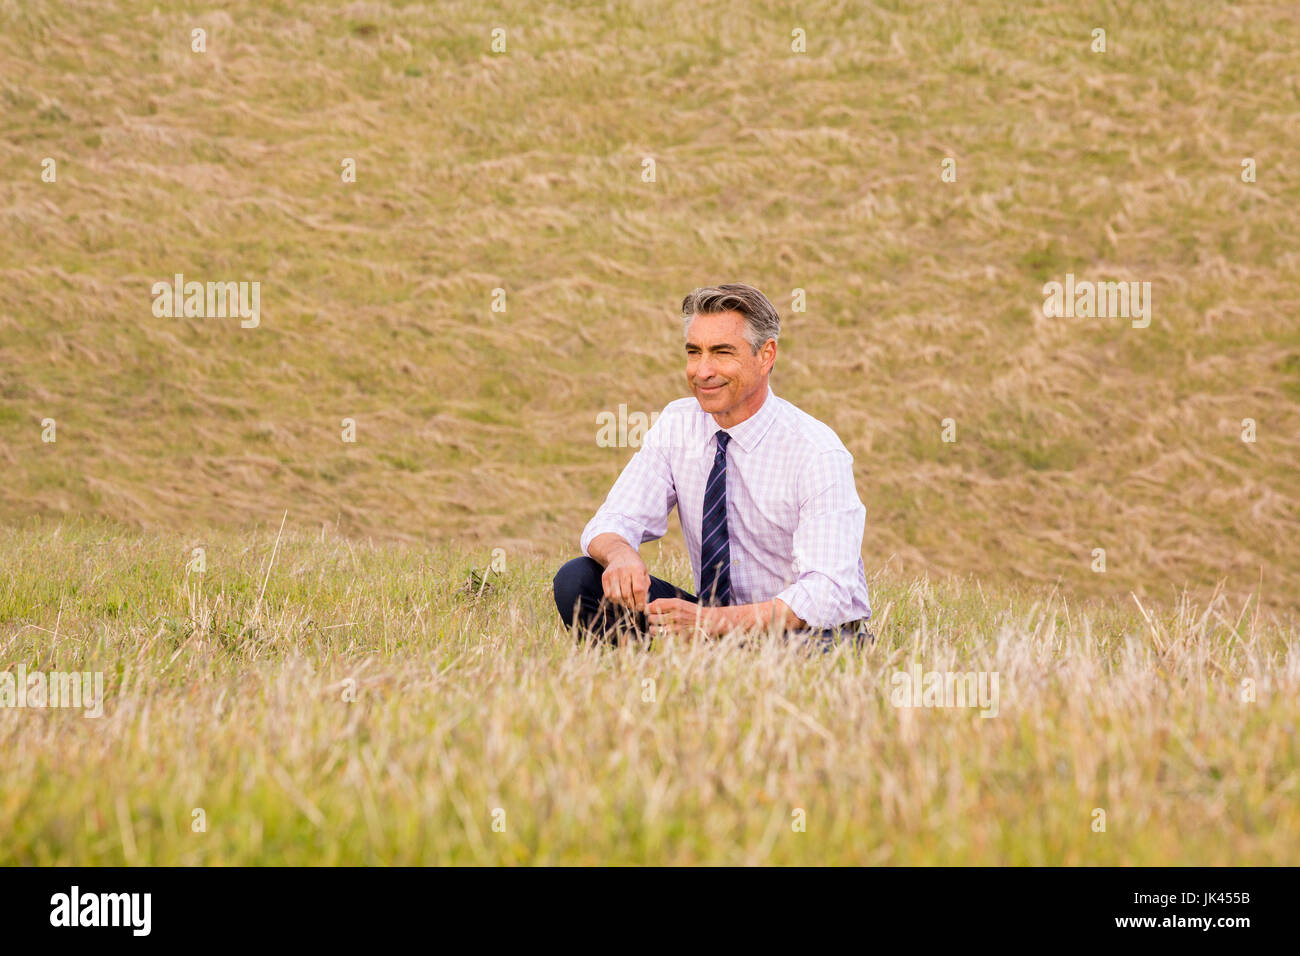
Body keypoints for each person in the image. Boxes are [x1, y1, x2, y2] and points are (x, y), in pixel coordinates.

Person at [553, 283, 873, 650]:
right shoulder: (677, 423)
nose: (702, 371)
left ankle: (726, 658)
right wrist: (621, 555)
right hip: (710, 621)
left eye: (722, 352)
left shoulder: (816, 452)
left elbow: (828, 592)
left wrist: (714, 622)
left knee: (809, 652)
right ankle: (637, 669)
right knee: (579, 579)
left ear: (766, 355)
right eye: (694, 352)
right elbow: (611, 522)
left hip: (801, 632)